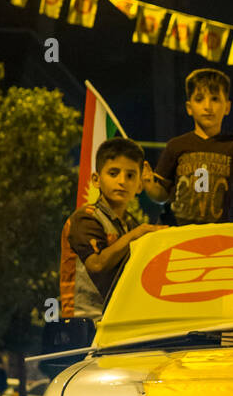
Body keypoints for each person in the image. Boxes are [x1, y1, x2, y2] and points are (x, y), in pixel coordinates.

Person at [61, 139, 166, 329]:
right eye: (113, 173)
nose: (122, 181)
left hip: (118, 325)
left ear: (139, 185)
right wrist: (136, 235)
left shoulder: (131, 224)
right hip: (83, 327)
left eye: (130, 175)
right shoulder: (85, 219)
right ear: (96, 179)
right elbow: (97, 264)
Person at [142, 68, 233, 226]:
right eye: (199, 99)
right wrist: (148, 184)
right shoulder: (176, 145)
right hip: (176, 232)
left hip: (215, 235)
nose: (207, 106)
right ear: (189, 107)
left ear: (227, 107)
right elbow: (162, 196)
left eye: (215, 99)